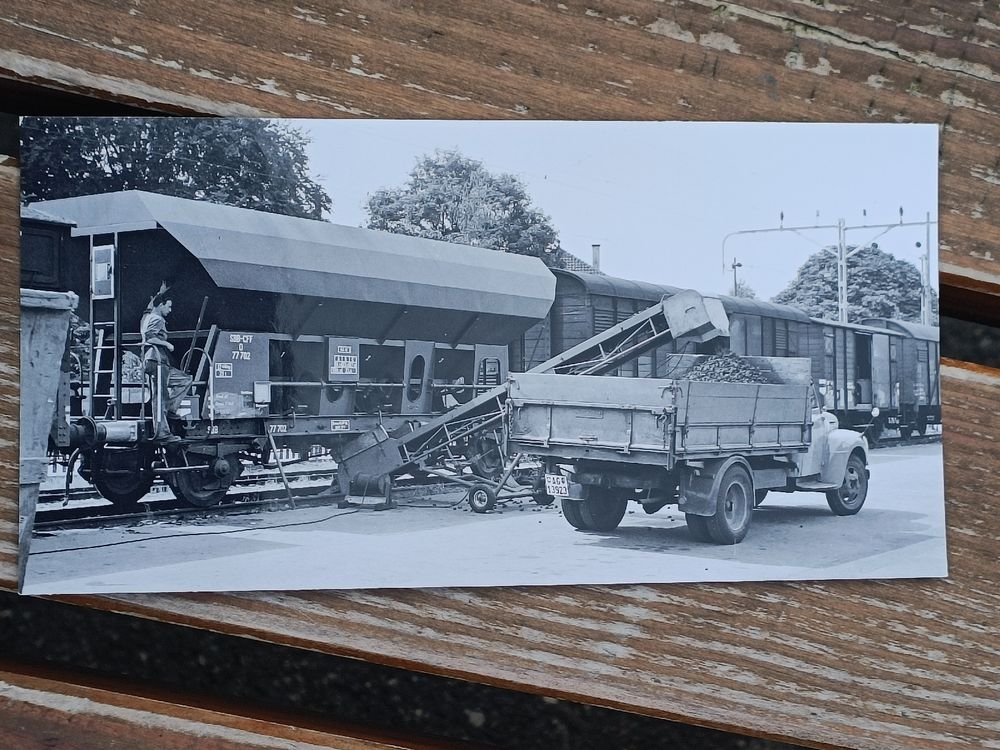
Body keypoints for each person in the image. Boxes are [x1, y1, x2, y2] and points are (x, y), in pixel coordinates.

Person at [141, 284, 192, 443]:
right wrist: (167, 345)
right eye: (168, 306)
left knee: (185, 379)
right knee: (160, 397)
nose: (170, 310)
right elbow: (149, 337)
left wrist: (160, 293)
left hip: (157, 361)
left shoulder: (148, 316)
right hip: (157, 361)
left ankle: (170, 410)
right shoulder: (157, 319)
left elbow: (150, 307)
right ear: (161, 306)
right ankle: (162, 432)